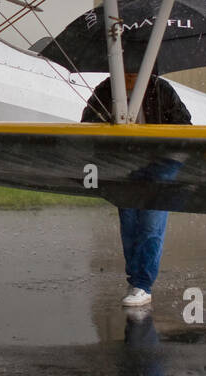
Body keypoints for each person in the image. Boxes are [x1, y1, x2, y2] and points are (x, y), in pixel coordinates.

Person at [81, 72, 191, 307]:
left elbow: (185, 126)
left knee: (151, 224)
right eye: (124, 69)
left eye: (134, 69)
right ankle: (135, 280)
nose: (129, 74)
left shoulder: (161, 89)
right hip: (124, 165)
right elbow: (88, 125)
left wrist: (160, 145)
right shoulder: (106, 90)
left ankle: (143, 284)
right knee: (130, 225)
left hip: (163, 163)